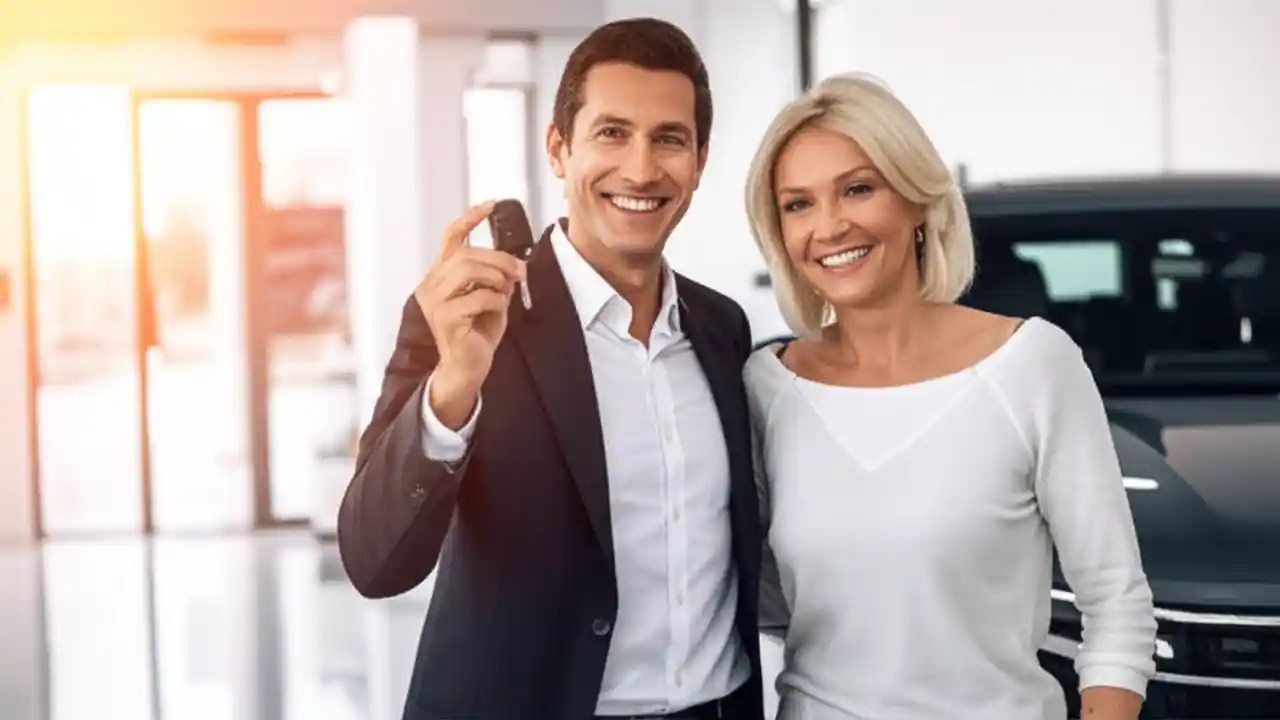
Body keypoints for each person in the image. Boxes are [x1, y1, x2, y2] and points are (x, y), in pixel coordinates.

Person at [337, 18, 765, 720]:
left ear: (699, 161)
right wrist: (453, 389)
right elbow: (373, 562)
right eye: (611, 133)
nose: (641, 169)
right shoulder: (468, 317)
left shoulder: (722, 329)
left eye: (668, 139)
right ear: (559, 149)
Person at [742, 72, 1158, 720]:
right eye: (798, 204)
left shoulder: (1031, 365)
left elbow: (1116, 603)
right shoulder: (767, 387)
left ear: (916, 201)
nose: (829, 225)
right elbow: (767, 603)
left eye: (858, 189)